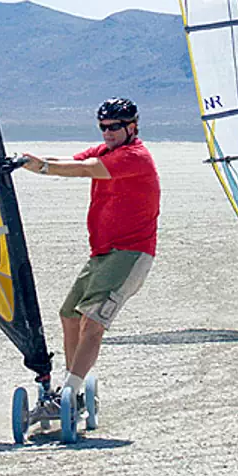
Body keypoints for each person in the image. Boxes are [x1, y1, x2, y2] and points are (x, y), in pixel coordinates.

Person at [22, 98, 160, 418]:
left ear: (132, 127)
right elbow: (69, 160)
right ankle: (75, 393)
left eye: (114, 127)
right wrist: (26, 162)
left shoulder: (135, 157)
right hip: (102, 253)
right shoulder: (105, 151)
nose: (108, 133)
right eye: (103, 127)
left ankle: (68, 393)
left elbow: (84, 170)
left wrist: (41, 167)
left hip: (130, 254)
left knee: (93, 322)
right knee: (70, 314)